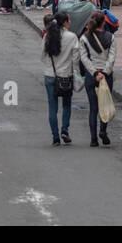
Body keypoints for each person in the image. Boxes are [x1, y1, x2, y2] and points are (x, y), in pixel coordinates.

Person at [41, 12, 80, 146]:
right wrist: (76, 74)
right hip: (66, 75)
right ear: (64, 22)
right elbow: (75, 59)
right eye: (69, 19)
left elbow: (43, 55)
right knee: (66, 104)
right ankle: (65, 130)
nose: (70, 21)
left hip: (50, 74)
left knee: (52, 106)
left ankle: (55, 136)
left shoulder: (48, 35)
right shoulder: (72, 37)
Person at [80, 12, 117, 147]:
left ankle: (93, 139)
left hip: (91, 75)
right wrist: (105, 72)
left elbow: (84, 58)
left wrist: (94, 72)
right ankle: (103, 130)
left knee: (93, 108)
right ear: (104, 23)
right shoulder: (111, 38)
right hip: (106, 76)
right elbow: (112, 58)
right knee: (105, 104)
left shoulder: (84, 38)